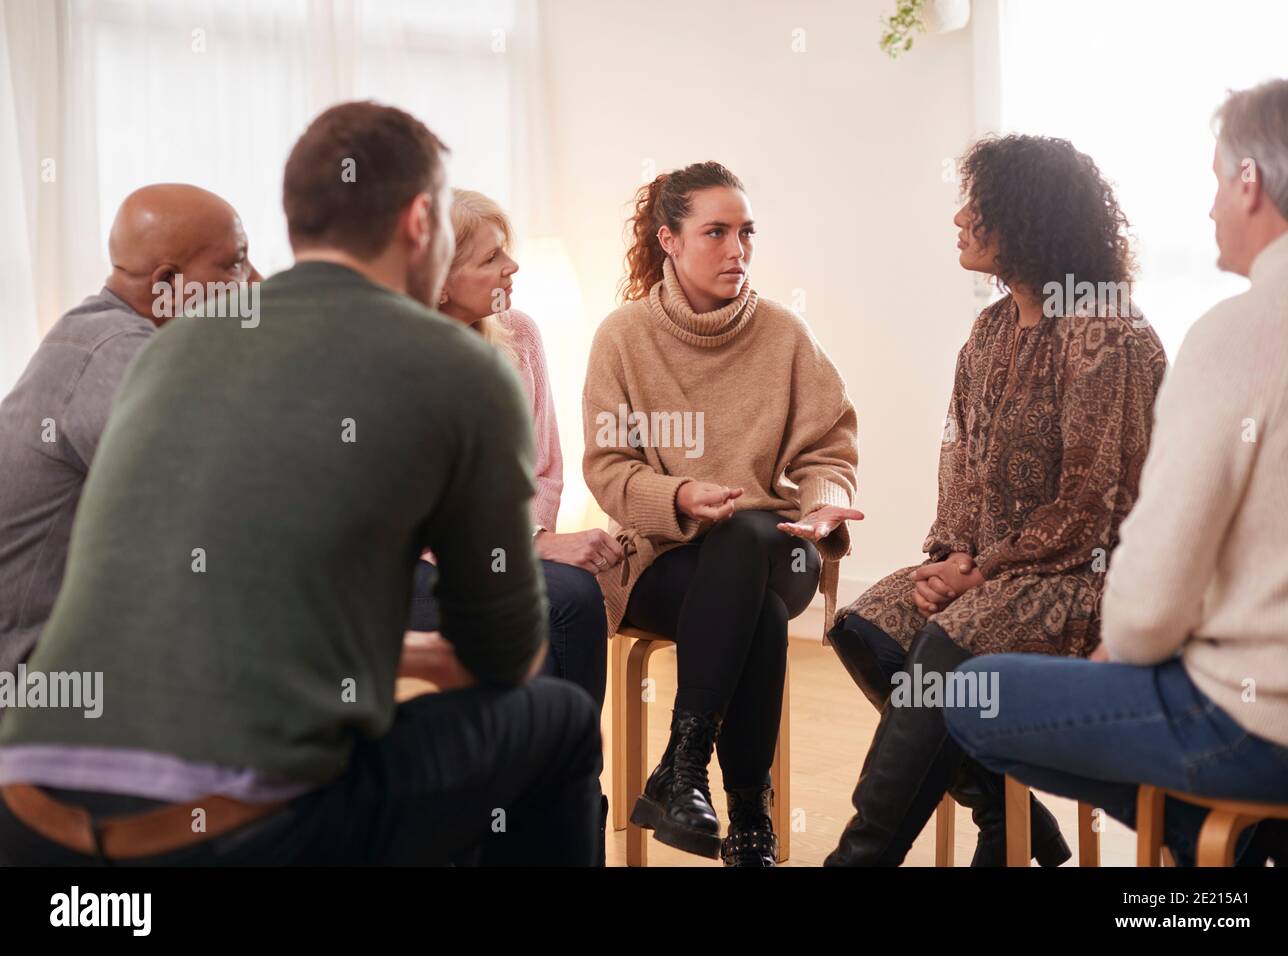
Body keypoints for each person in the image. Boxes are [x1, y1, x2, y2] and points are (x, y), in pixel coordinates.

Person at [0, 101, 601, 866]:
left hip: (26, 814)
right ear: (421, 223)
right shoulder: (465, 367)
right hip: (213, 833)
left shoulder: (170, 349)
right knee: (559, 720)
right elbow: (503, 654)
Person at [945, 77, 1288, 867]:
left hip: (1261, 722)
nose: (1209, 208)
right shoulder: (991, 331)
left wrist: (1131, 641)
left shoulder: (1234, 335)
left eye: (1216, 182)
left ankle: (1230, 860)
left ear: (1253, 185)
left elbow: (1148, 592)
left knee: (974, 698)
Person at [825, 134, 1167, 866]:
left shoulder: (1110, 333)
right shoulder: (988, 331)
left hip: (1087, 576)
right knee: (868, 628)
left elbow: (1093, 502)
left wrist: (981, 575)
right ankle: (1011, 823)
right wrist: (952, 552)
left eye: (976, 204)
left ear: (1026, 216)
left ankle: (859, 858)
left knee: (949, 643)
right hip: (995, 571)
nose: (959, 219)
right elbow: (961, 462)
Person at [583, 161, 860, 866]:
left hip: (780, 542)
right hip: (667, 559)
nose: (737, 250)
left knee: (745, 539)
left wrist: (826, 505)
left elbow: (828, 449)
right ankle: (750, 824)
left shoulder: (784, 334)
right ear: (669, 240)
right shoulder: (623, 337)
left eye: (746, 233)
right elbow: (609, 468)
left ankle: (682, 767)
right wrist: (677, 497)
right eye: (716, 232)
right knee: (758, 613)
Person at [0, 184, 258, 674]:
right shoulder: (114, 351)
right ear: (168, 282)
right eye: (235, 264)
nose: (257, 282)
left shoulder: (100, 336)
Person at [411, 188, 615, 708]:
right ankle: (534, 781)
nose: (513, 265)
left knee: (576, 593)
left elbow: (544, 470)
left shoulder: (519, 335)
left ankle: (577, 785)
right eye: (491, 257)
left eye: (507, 249)